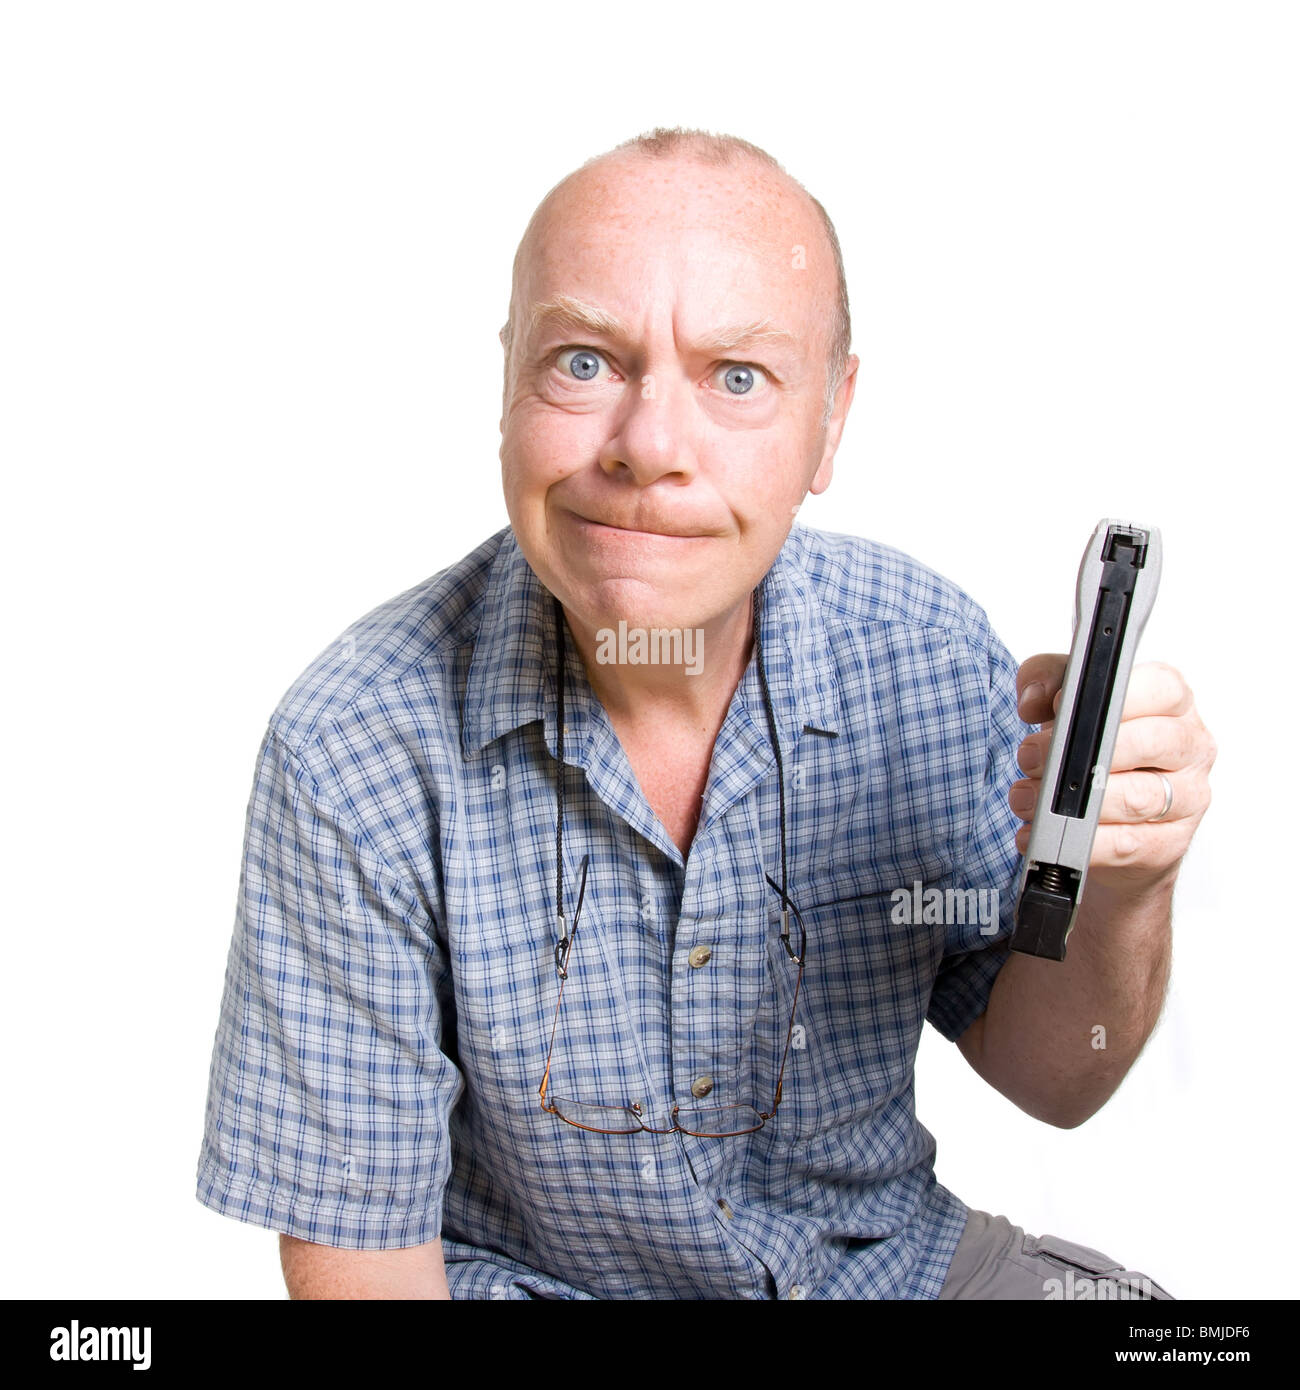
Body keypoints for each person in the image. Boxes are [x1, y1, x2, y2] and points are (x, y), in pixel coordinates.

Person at [196, 127, 1215, 1300]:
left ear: (830, 419)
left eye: (737, 378)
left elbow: (1059, 1078)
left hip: (890, 1276)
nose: (649, 448)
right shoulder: (354, 752)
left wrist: (1123, 887)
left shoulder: (926, 656)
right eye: (584, 362)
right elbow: (366, 1272)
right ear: (507, 379)